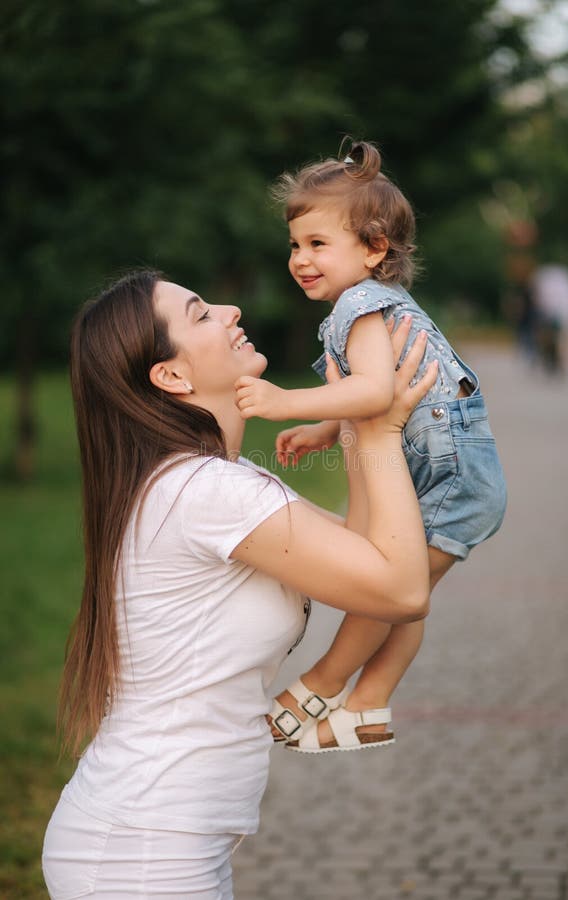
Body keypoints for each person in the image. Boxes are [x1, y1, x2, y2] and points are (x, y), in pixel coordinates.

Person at [42, 269, 437, 898]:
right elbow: (402, 590)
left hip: (163, 839)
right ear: (171, 377)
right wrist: (383, 431)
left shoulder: (215, 482)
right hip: (142, 852)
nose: (228, 309)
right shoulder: (209, 494)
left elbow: (370, 556)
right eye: (200, 315)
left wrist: (358, 417)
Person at [234, 140, 507, 753]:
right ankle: (368, 705)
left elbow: (374, 389)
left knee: (387, 597)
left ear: (375, 248)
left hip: (449, 480)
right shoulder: (359, 308)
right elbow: (369, 391)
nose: (300, 259)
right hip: (445, 476)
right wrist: (325, 428)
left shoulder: (360, 304)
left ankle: (320, 684)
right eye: (295, 245)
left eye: (317, 244)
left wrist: (284, 402)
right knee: (402, 601)